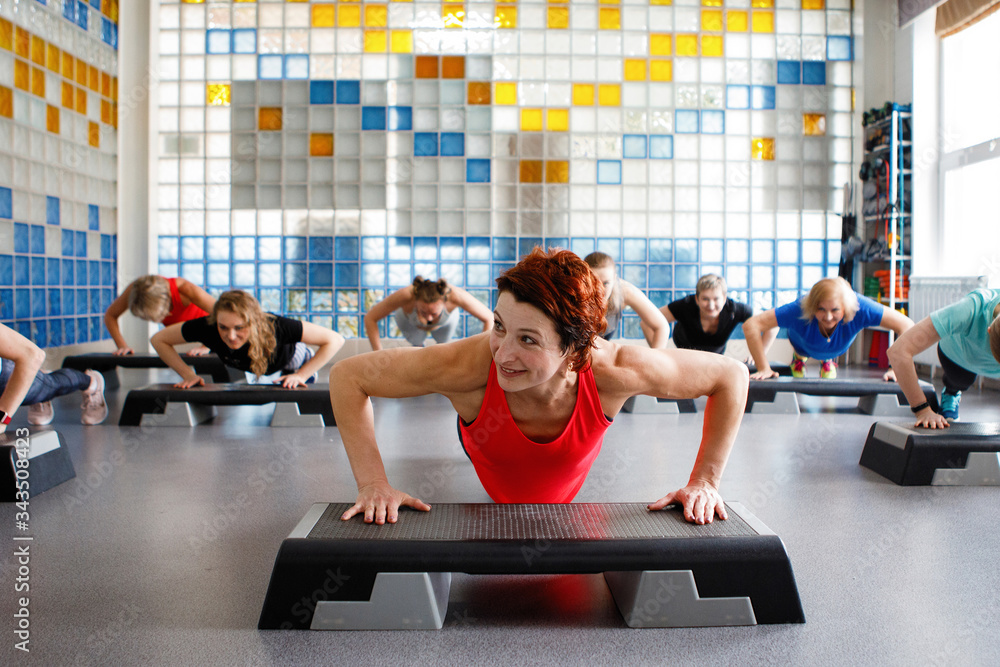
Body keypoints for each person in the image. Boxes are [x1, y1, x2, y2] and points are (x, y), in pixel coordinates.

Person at [330, 248, 749, 526]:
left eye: (528, 339)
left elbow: (731, 376)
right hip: (484, 435)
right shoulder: (464, 366)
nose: (503, 354)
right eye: (499, 327)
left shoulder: (616, 369)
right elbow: (348, 377)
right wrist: (372, 485)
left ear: (575, 348)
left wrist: (706, 482)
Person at [151, 290, 345, 388]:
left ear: (254, 322)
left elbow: (335, 339)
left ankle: (302, 366)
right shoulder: (207, 326)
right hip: (251, 364)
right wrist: (188, 375)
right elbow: (159, 339)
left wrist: (301, 375)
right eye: (223, 327)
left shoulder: (275, 325)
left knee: (295, 372)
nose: (231, 336)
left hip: (290, 358)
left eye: (239, 328)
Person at [743, 277, 914, 380]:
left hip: (837, 347)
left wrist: (897, 369)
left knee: (829, 348)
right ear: (812, 306)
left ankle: (827, 360)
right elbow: (751, 325)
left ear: (846, 308)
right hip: (803, 344)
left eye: (835, 310)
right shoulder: (800, 307)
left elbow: (906, 325)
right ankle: (799, 358)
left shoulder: (861, 307)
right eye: (821, 310)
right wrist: (763, 367)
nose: (828, 317)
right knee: (804, 348)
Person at [887, 288, 1000, 427]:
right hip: (959, 357)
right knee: (961, 380)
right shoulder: (971, 308)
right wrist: (922, 410)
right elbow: (898, 352)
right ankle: (952, 392)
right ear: (989, 329)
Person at [0, 324, 107, 430]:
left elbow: (33, 354)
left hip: (6, 377)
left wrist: (3, 418)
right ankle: (36, 375)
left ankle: (91, 382)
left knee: (51, 384)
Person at [364, 276, 494, 351]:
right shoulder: (405, 296)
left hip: (445, 323)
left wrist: (482, 354)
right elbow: (370, 318)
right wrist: (378, 353)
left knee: (443, 349)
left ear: (444, 301)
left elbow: (489, 318)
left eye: (434, 313)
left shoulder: (456, 296)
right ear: (415, 301)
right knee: (417, 345)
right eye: (424, 312)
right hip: (409, 321)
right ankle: (418, 344)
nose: (429, 318)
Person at [105, 275, 217, 356]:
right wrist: (122, 346)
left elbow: (224, 315)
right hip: (186, 333)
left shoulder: (185, 290)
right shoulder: (137, 291)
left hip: (215, 331)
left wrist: (207, 346)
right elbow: (110, 315)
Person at [583, 252, 670, 348]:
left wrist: (656, 360)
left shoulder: (625, 291)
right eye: (594, 282)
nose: (600, 289)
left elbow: (662, 326)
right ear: (584, 279)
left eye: (606, 283)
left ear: (614, 279)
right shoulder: (574, 292)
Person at [657, 274, 758, 355]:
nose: (711, 305)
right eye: (705, 299)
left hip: (715, 352)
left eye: (716, 299)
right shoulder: (685, 305)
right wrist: (658, 353)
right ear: (697, 299)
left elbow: (770, 325)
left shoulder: (734, 310)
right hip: (686, 349)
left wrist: (756, 357)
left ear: (724, 298)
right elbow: (647, 323)